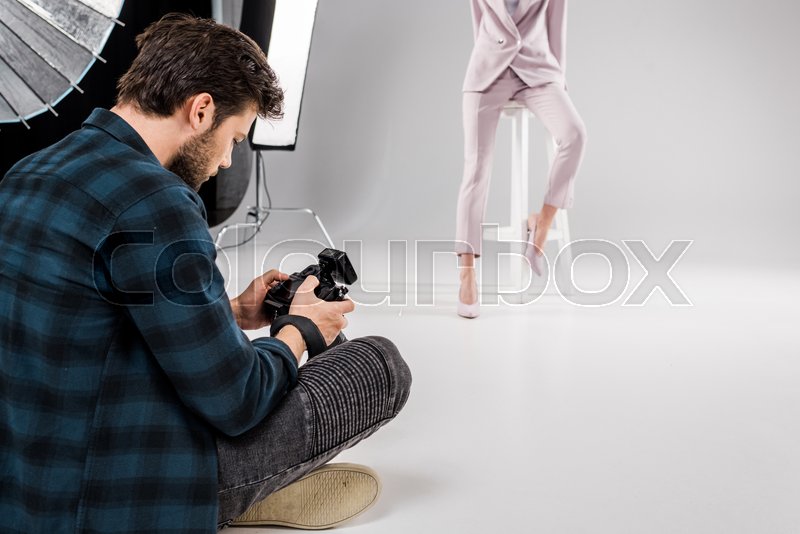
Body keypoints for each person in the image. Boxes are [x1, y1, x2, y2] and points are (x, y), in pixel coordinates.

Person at [0, 13, 411, 533]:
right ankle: (244, 494)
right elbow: (237, 399)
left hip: (25, 486)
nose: (224, 160)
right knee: (377, 365)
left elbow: (88, 323)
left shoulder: (27, 171)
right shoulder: (157, 200)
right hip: (112, 497)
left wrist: (234, 313)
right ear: (201, 110)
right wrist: (299, 330)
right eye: (235, 137)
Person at [455, 0, 587, 318]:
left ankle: (541, 224)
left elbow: (557, 33)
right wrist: (488, 64)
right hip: (488, 73)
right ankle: (467, 272)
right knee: (476, 168)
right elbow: (479, 24)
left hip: (539, 73)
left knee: (574, 134)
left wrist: (558, 82)